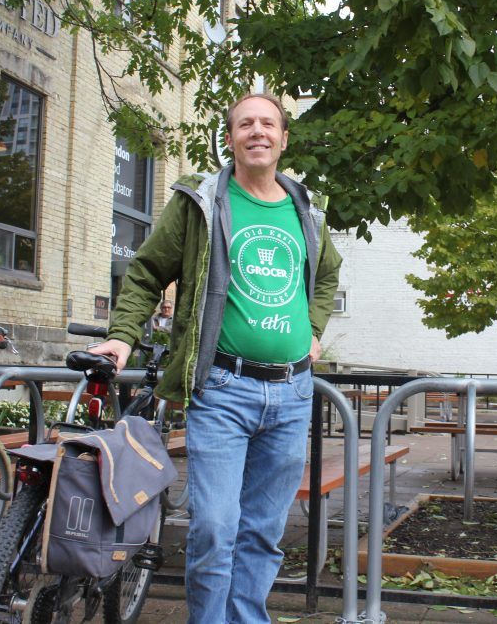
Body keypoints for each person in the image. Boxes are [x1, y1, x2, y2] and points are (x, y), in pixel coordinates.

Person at [88, 93, 342, 624]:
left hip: (293, 392)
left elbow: (327, 278)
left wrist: (314, 331)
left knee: (263, 533)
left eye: (268, 123)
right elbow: (146, 271)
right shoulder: (201, 204)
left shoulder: (305, 211)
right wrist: (122, 337)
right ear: (230, 138)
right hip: (224, 388)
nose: (257, 132)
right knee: (215, 527)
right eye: (245, 123)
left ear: (283, 138)